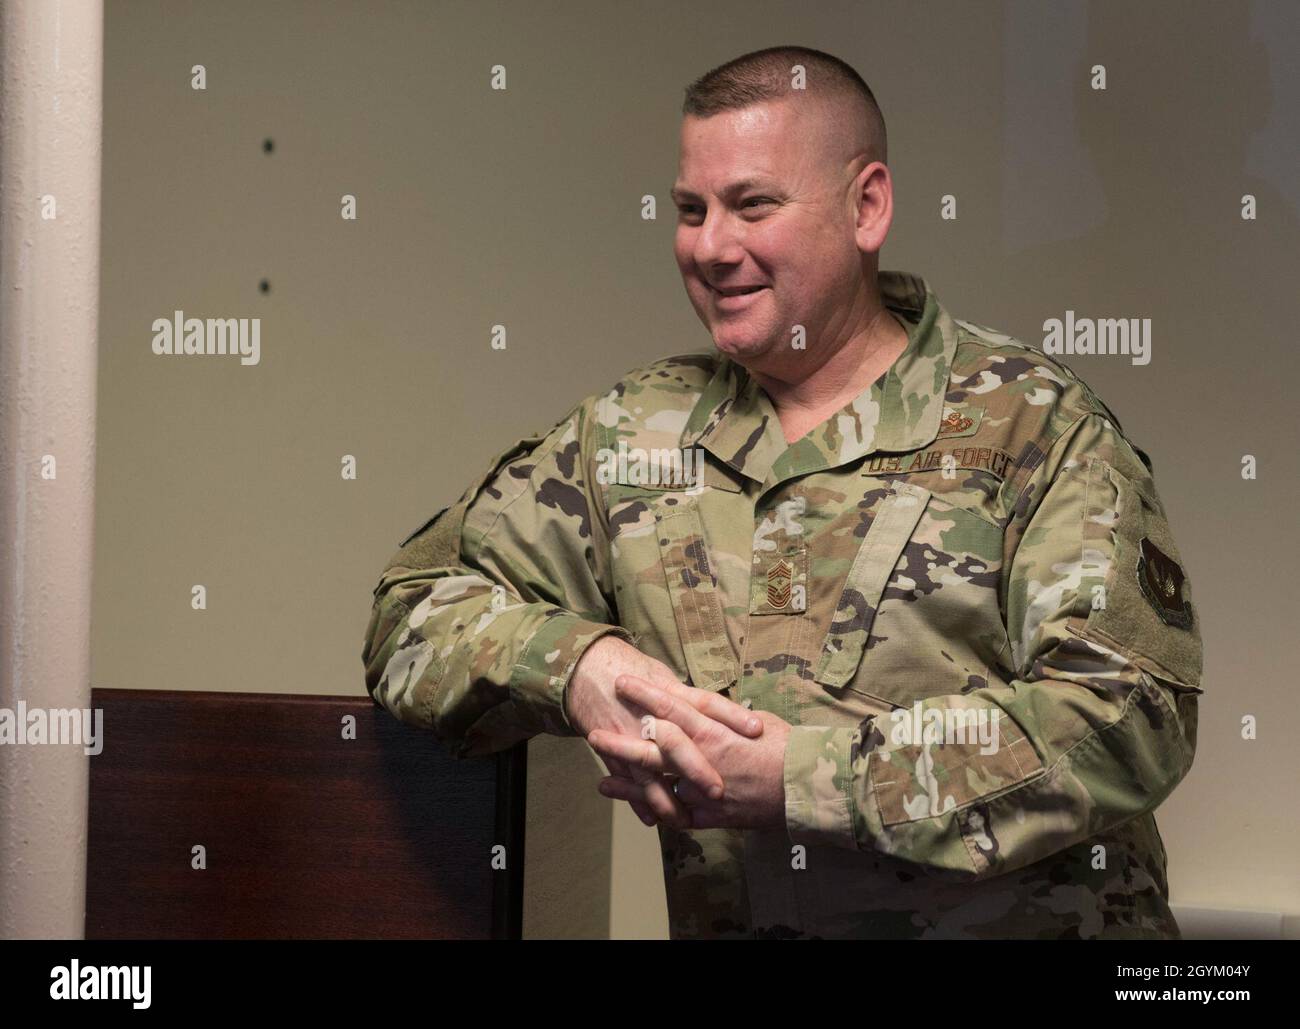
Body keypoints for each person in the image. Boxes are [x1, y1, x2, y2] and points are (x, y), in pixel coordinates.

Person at [361, 45, 1202, 939]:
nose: (711, 247)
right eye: (691, 210)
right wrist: (577, 667)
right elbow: (409, 611)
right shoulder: (632, 436)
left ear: (866, 206)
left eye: (752, 205)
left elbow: (1129, 712)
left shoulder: (1031, 425)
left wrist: (806, 778)